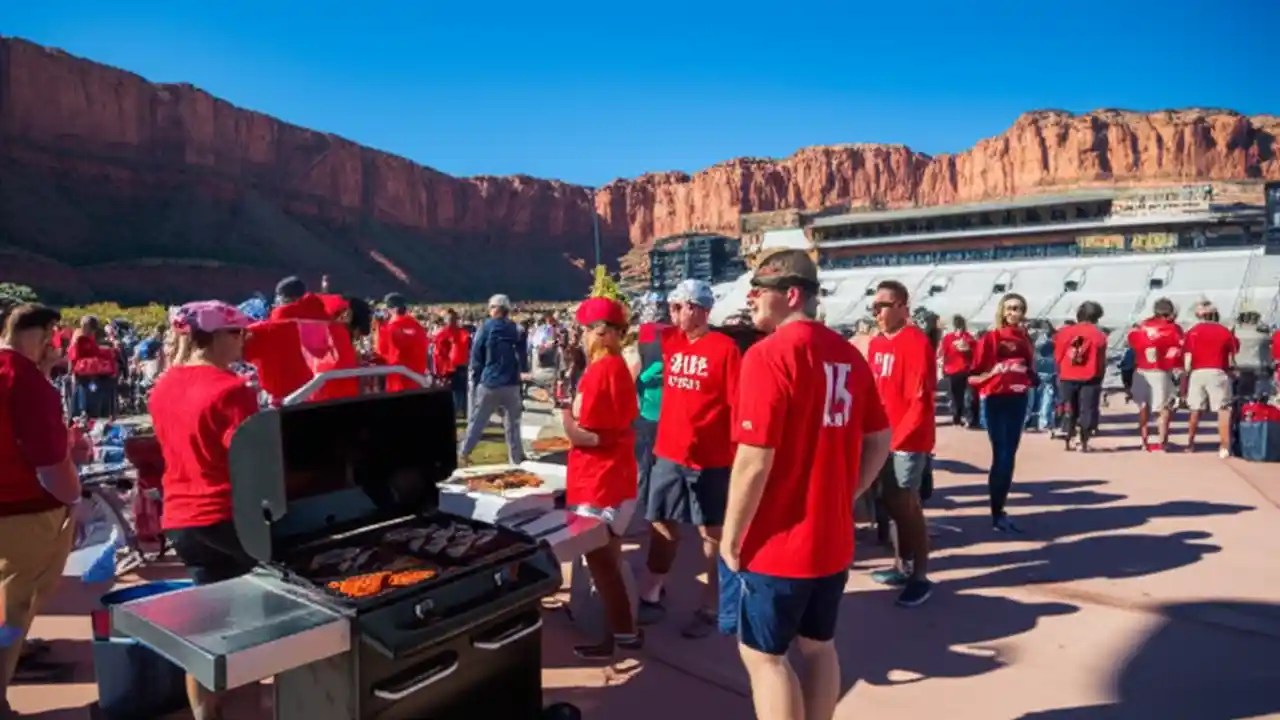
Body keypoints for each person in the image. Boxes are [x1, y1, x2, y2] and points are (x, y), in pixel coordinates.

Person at [719, 250, 891, 720]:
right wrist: (849, 492)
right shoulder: (848, 354)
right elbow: (880, 438)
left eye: (760, 290)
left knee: (764, 658)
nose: (751, 298)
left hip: (778, 543)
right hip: (831, 540)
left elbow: (754, 461)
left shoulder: (768, 355)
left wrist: (731, 540)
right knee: (819, 648)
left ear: (791, 295)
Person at [148, 301, 260, 720]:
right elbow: (252, 462)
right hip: (229, 516)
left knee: (209, 628)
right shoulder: (232, 390)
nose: (243, 341)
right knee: (259, 630)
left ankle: (203, 713)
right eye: (237, 333)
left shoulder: (163, 386)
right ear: (214, 337)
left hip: (182, 520)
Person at [638, 279, 741, 640]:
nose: (673, 313)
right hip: (668, 452)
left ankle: (711, 606)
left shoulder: (724, 349)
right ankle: (651, 591)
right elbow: (638, 332)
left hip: (711, 458)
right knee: (661, 522)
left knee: (712, 534)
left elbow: (736, 404)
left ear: (699, 309)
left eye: (679, 306)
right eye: (672, 306)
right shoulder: (671, 341)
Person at [0, 303, 80, 716]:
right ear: (46, 332)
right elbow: (50, 461)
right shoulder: (23, 379)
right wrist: (74, 497)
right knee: (15, 605)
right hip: (27, 511)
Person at [560, 297, 643, 660]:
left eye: (585, 328)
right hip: (617, 475)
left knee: (602, 565)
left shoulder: (600, 371)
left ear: (600, 333)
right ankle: (623, 633)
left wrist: (562, 409)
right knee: (609, 561)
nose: (580, 335)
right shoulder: (618, 366)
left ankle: (621, 635)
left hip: (599, 482)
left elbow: (582, 434)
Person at [865, 280, 937, 607]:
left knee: (907, 507)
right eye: (874, 307)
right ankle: (901, 565)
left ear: (902, 307)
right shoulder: (878, 344)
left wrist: (897, 441)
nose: (876, 312)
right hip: (882, 437)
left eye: (882, 306)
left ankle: (920, 576)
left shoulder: (915, 342)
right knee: (891, 505)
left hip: (907, 439)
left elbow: (920, 399)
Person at [969, 293, 1035, 533]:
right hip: (996, 399)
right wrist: (992, 375)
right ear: (1001, 311)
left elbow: (1030, 368)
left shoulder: (1026, 338)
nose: (1013, 313)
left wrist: (1028, 376)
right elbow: (973, 374)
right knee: (1002, 455)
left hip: (1019, 398)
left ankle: (1001, 509)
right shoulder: (992, 337)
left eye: (1018, 308)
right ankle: (996, 513)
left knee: (1011, 455)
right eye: (1009, 308)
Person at [459, 294, 527, 466]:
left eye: (491, 308)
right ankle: (516, 458)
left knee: (478, 421)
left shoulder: (485, 328)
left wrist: (477, 378)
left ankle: (464, 452)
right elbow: (522, 355)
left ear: (495, 309)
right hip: (511, 383)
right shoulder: (516, 329)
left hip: (489, 382)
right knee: (512, 424)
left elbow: (476, 355)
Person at [1127, 298, 1184, 451]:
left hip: (1141, 370)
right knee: (1163, 409)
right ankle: (1162, 442)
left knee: (1143, 407)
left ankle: (1144, 441)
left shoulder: (1142, 326)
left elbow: (1131, 343)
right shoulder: (1173, 329)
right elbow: (1179, 350)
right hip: (1161, 371)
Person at [1183, 302, 1238, 457]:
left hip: (1198, 371)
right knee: (1223, 409)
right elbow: (1231, 357)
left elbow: (1187, 358)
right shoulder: (1225, 332)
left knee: (1195, 409)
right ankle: (1225, 446)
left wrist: (1186, 376)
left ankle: (1190, 443)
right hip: (1218, 371)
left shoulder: (1192, 332)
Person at [1054, 302, 1108, 452]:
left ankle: (1068, 437)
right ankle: (1082, 439)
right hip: (1091, 376)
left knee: (1069, 407)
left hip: (1067, 374)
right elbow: (1101, 359)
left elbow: (1058, 355)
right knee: (1087, 409)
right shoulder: (1099, 335)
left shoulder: (1064, 332)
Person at [375, 293, 430, 392]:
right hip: (417, 379)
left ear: (392, 310)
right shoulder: (417, 326)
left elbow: (380, 351)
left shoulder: (389, 328)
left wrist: (379, 326)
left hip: (397, 381)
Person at [938, 314, 977, 427]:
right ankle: (958, 417)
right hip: (956, 370)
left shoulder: (967, 338)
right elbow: (943, 353)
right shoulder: (949, 338)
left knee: (964, 396)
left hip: (963, 370)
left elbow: (974, 351)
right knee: (958, 396)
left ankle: (965, 418)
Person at [434, 310, 471, 415]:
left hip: (461, 365)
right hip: (447, 367)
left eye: (454, 319)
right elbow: (439, 352)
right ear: (446, 321)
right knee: (451, 389)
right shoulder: (442, 334)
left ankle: (462, 410)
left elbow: (467, 347)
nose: (453, 322)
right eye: (451, 320)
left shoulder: (463, 333)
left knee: (461, 389)